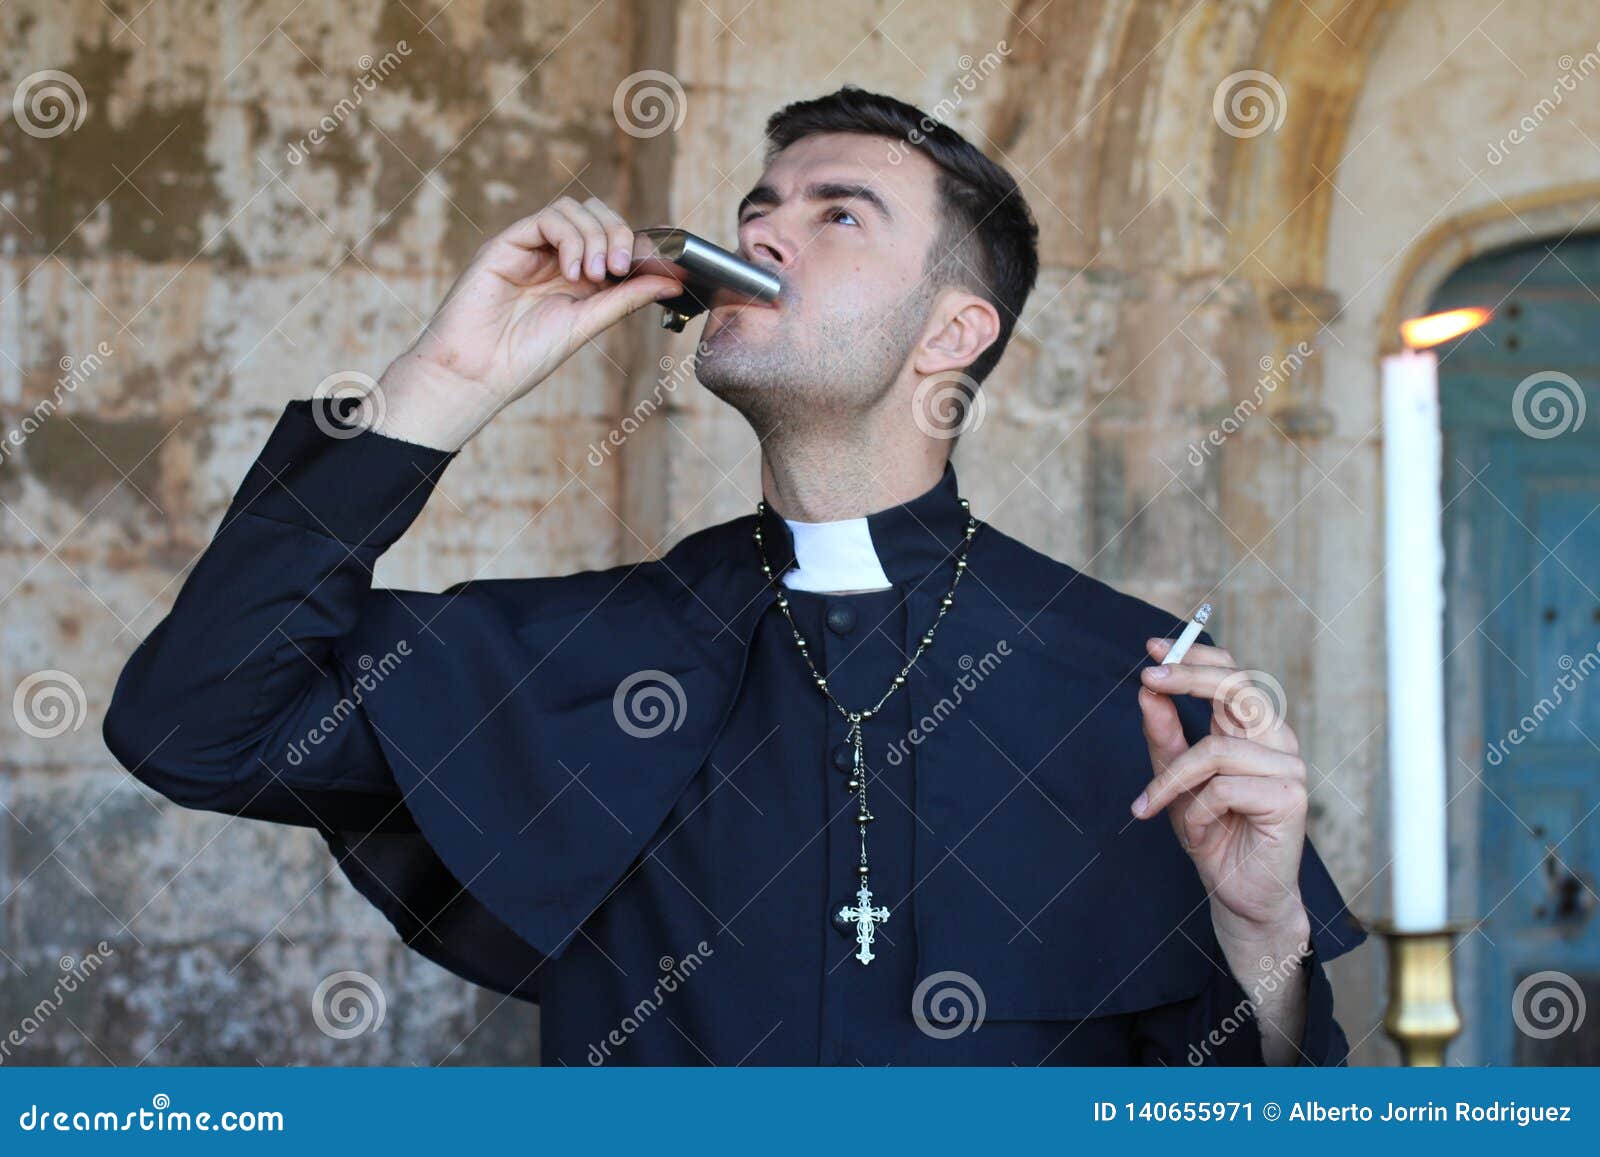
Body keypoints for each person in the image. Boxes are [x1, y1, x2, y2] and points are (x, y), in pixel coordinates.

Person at [103, 84, 1366, 1066]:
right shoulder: (583, 650)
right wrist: (444, 381)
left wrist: (1264, 934)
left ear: (953, 331)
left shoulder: (1135, 687)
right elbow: (195, 725)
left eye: (836, 214)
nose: (760, 229)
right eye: (761, 206)